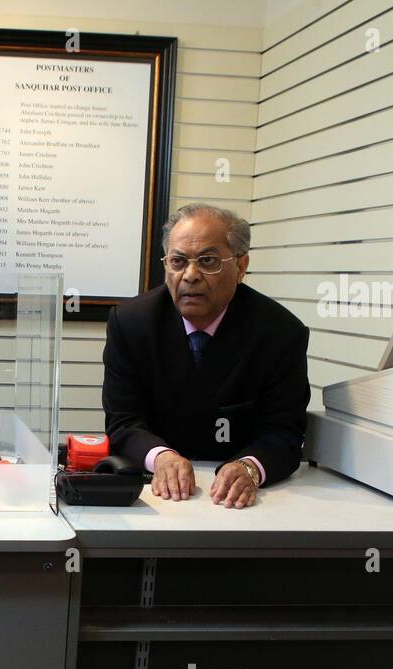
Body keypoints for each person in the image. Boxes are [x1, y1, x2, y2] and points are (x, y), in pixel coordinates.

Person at [102, 203, 310, 508]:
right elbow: (123, 422)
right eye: (177, 261)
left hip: (238, 503)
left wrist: (250, 468)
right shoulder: (132, 324)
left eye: (208, 261)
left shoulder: (280, 333)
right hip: (158, 497)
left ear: (241, 266)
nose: (190, 275)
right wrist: (162, 457)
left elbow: (284, 432)